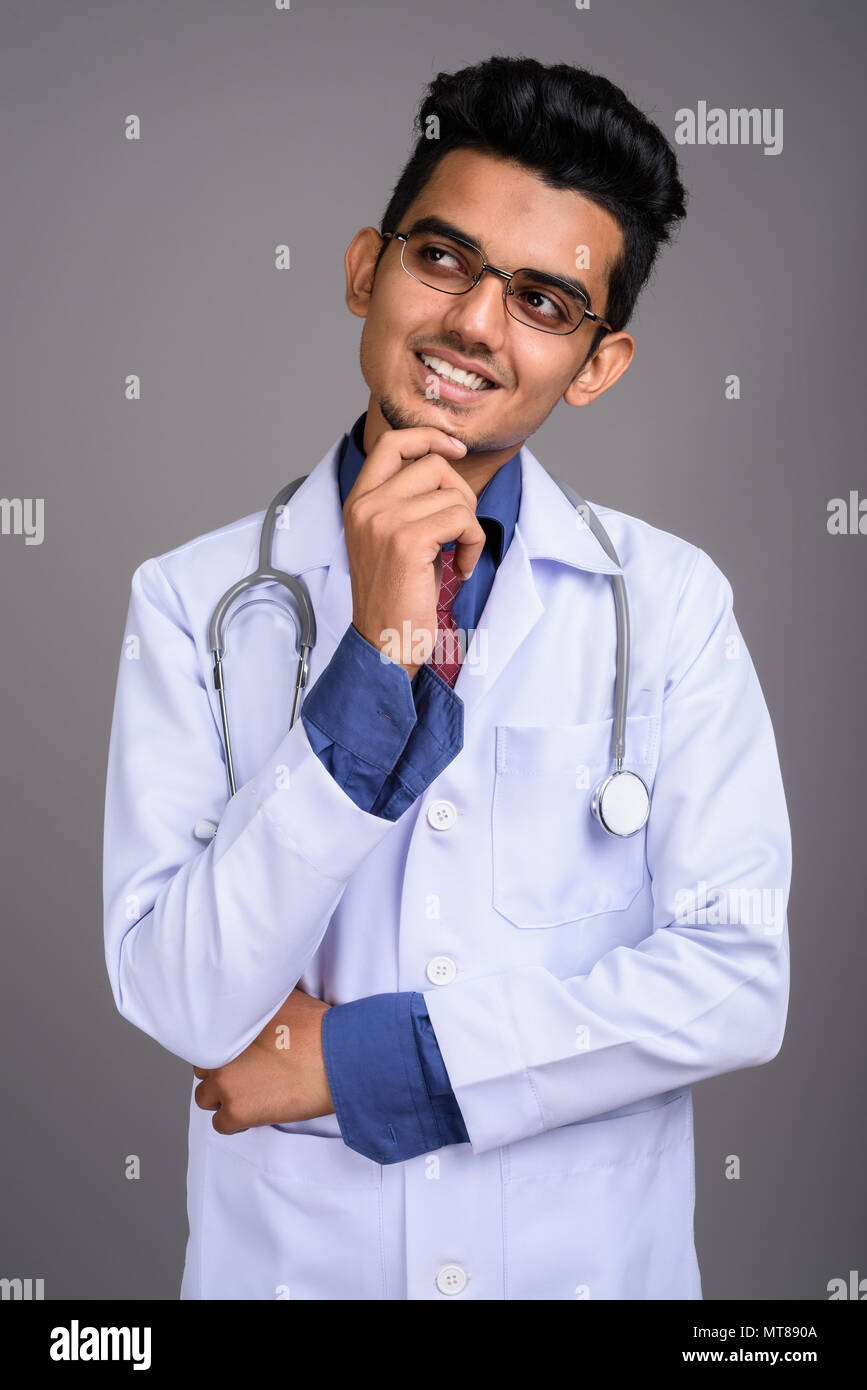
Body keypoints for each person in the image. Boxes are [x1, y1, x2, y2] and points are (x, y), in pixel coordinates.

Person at [103, 55, 790, 1300]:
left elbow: (736, 984)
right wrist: (372, 654)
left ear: (597, 363)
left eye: (543, 300)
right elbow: (185, 996)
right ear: (368, 268)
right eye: (444, 259)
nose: (476, 322)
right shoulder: (193, 602)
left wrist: (362, 1061)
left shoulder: (671, 605)